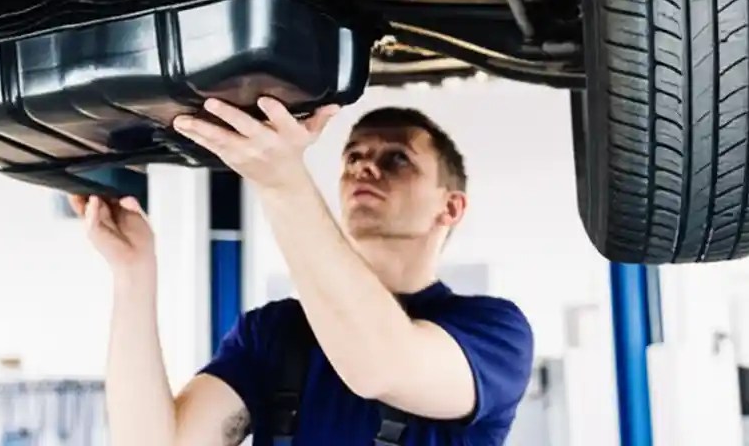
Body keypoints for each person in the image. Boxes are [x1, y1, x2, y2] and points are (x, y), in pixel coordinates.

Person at [69, 97, 534, 446]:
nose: (365, 166)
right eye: (353, 156)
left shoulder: (492, 333)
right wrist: (133, 273)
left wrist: (282, 179)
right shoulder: (273, 332)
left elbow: (379, 366)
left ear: (449, 207)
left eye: (397, 159)